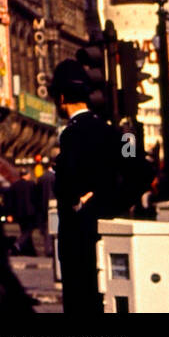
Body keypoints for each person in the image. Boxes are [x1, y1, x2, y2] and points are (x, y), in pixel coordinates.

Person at [52, 59, 121, 314]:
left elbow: (66, 185)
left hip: (77, 237)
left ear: (60, 98)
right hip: (106, 230)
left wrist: (80, 202)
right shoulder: (110, 131)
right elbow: (142, 171)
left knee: (80, 303)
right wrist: (109, 200)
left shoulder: (71, 134)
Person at [5, 169, 39, 256]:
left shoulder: (14, 185)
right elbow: (36, 199)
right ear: (27, 175)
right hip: (31, 212)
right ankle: (17, 244)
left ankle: (30, 252)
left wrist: (9, 213)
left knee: (24, 230)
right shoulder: (32, 184)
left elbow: (10, 201)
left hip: (19, 213)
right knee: (28, 231)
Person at [38, 150, 57, 256]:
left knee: (47, 230)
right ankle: (52, 249)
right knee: (54, 228)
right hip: (54, 205)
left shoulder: (42, 178)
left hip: (43, 206)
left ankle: (48, 249)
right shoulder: (56, 177)